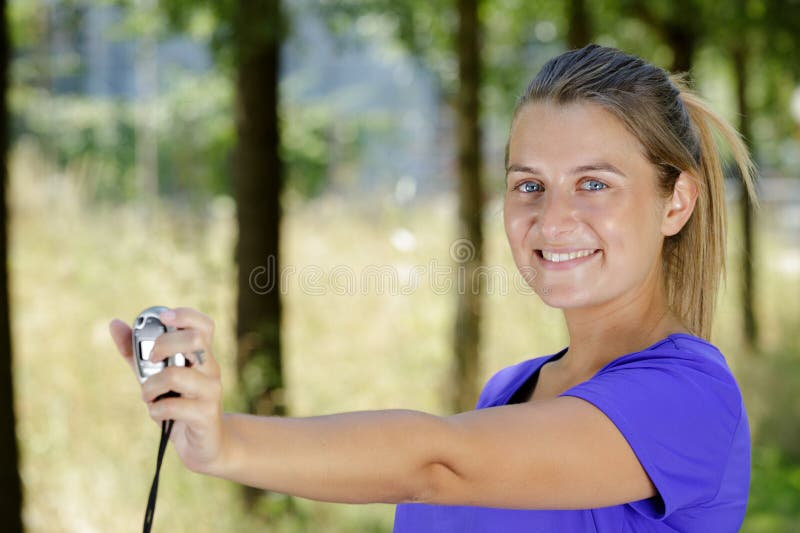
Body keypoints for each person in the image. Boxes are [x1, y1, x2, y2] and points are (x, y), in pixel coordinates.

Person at [109, 44, 757, 532]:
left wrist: (226, 442)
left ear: (677, 202)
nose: (552, 218)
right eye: (529, 184)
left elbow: (435, 464)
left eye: (594, 184)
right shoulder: (509, 390)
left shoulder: (690, 397)